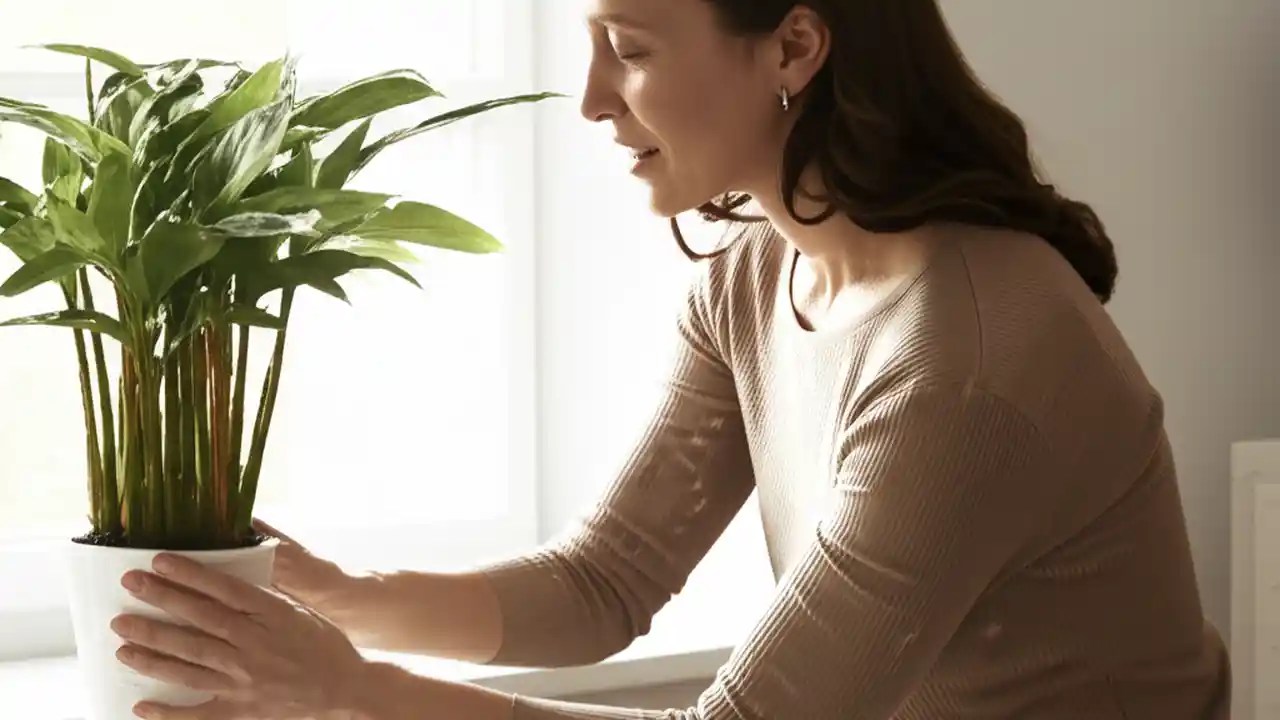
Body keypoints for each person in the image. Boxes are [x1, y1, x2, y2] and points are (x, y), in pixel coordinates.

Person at [108, 0, 1233, 718]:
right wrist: (332, 599)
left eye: (629, 49)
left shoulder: (963, 368)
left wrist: (346, 693)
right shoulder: (752, 277)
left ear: (794, 44)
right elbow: (600, 587)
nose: (593, 100)